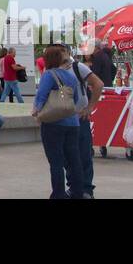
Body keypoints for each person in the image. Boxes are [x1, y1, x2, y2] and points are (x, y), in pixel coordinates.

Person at [33, 45, 86, 199]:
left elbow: (41, 96)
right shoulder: (70, 76)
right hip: (72, 123)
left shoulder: (48, 75)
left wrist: (36, 111)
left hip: (53, 123)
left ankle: (58, 194)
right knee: (74, 159)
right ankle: (77, 192)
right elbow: (75, 98)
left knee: (56, 161)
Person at [66, 45, 104, 199]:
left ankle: (86, 189)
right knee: (67, 156)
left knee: (83, 154)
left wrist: (90, 107)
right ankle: (74, 187)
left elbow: (98, 84)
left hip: (79, 118)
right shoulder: (52, 69)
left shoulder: (77, 67)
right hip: (62, 119)